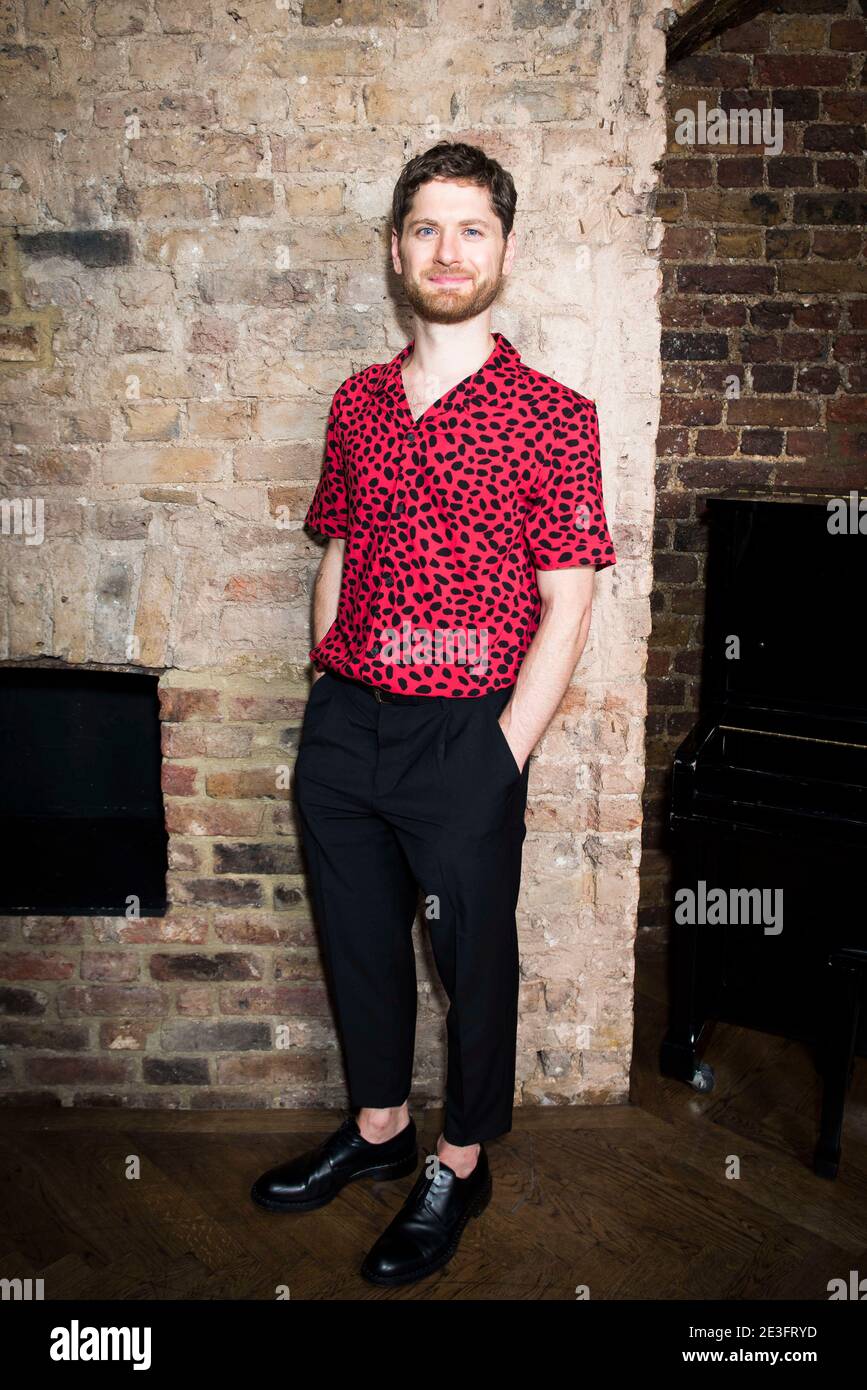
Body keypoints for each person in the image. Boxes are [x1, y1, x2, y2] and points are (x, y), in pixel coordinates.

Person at [251, 140, 616, 1287]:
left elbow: (570, 604)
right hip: (347, 725)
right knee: (358, 944)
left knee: (474, 963)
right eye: (425, 227)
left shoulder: (555, 416)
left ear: (504, 248)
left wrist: (500, 755)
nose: (446, 250)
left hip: (466, 734)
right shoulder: (357, 401)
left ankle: (459, 1157)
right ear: (397, 248)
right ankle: (377, 1133)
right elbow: (342, 543)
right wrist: (326, 673)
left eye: (471, 229)